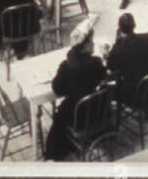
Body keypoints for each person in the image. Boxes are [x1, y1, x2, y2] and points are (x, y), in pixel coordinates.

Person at [44, 19, 108, 161]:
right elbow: (104, 76)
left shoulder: (66, 66)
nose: (93, 45)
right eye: (91, 43)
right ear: (84, 47)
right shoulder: (96, 63)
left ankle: (56, 153)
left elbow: (57, 90)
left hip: (78, 114)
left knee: (58, 117)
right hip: (96, 110)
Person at [106, 13, 148, 102]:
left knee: (107, 89)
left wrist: (116, 45)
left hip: (133, 96)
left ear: (120, 29)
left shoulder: (118, 50)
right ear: (134, 26)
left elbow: (111, 68)